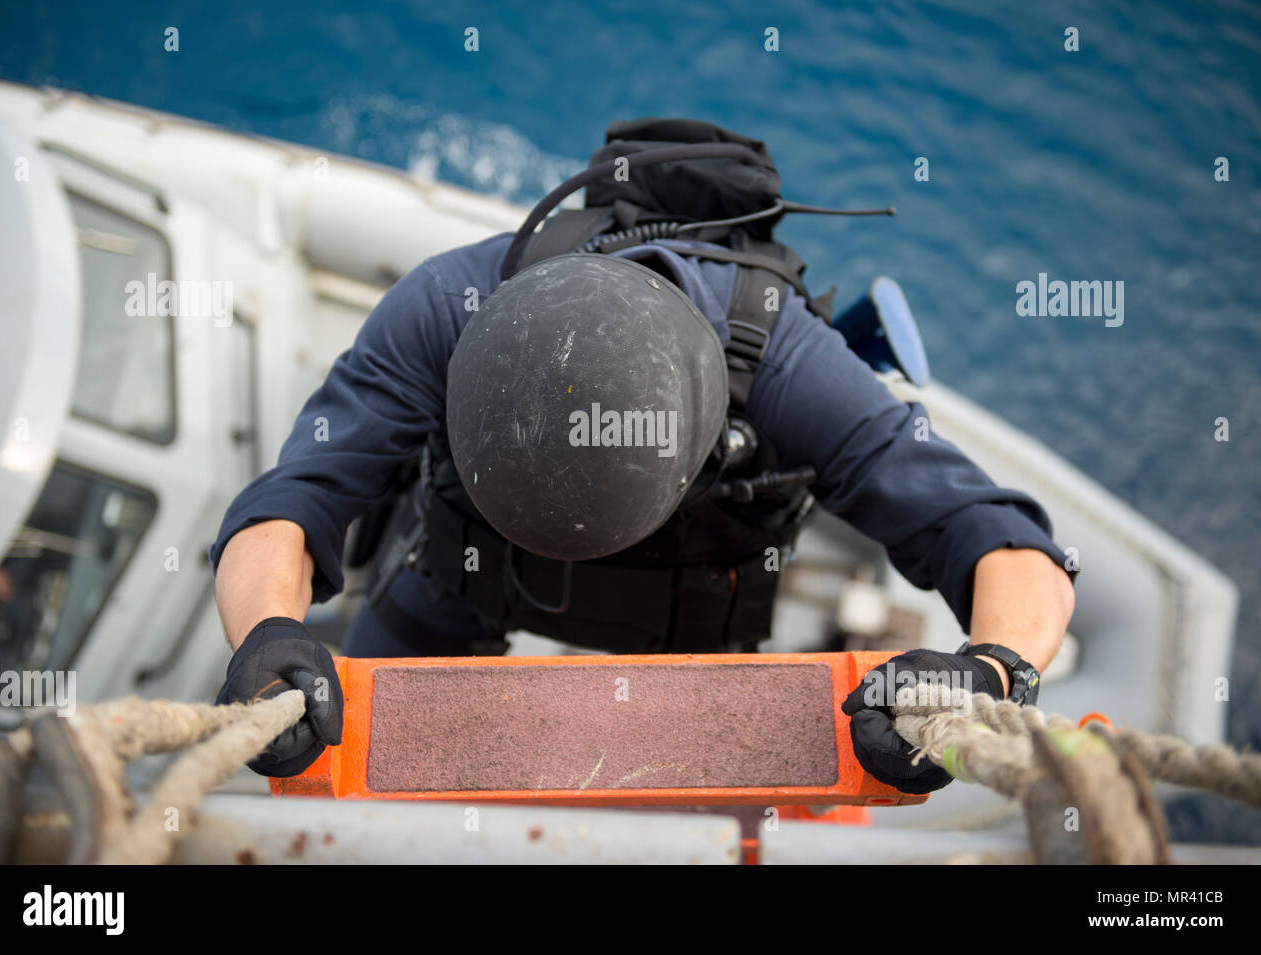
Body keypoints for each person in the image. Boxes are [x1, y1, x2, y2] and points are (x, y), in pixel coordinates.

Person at [210, 119, 1075, 792]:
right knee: (345, 756)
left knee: (722, 811)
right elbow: (295, 498)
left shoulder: (780, 358)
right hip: (467, 576)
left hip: (690, 616)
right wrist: (268, 639)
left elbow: (999, 536)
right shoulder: (446, 305)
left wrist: (988, 673)